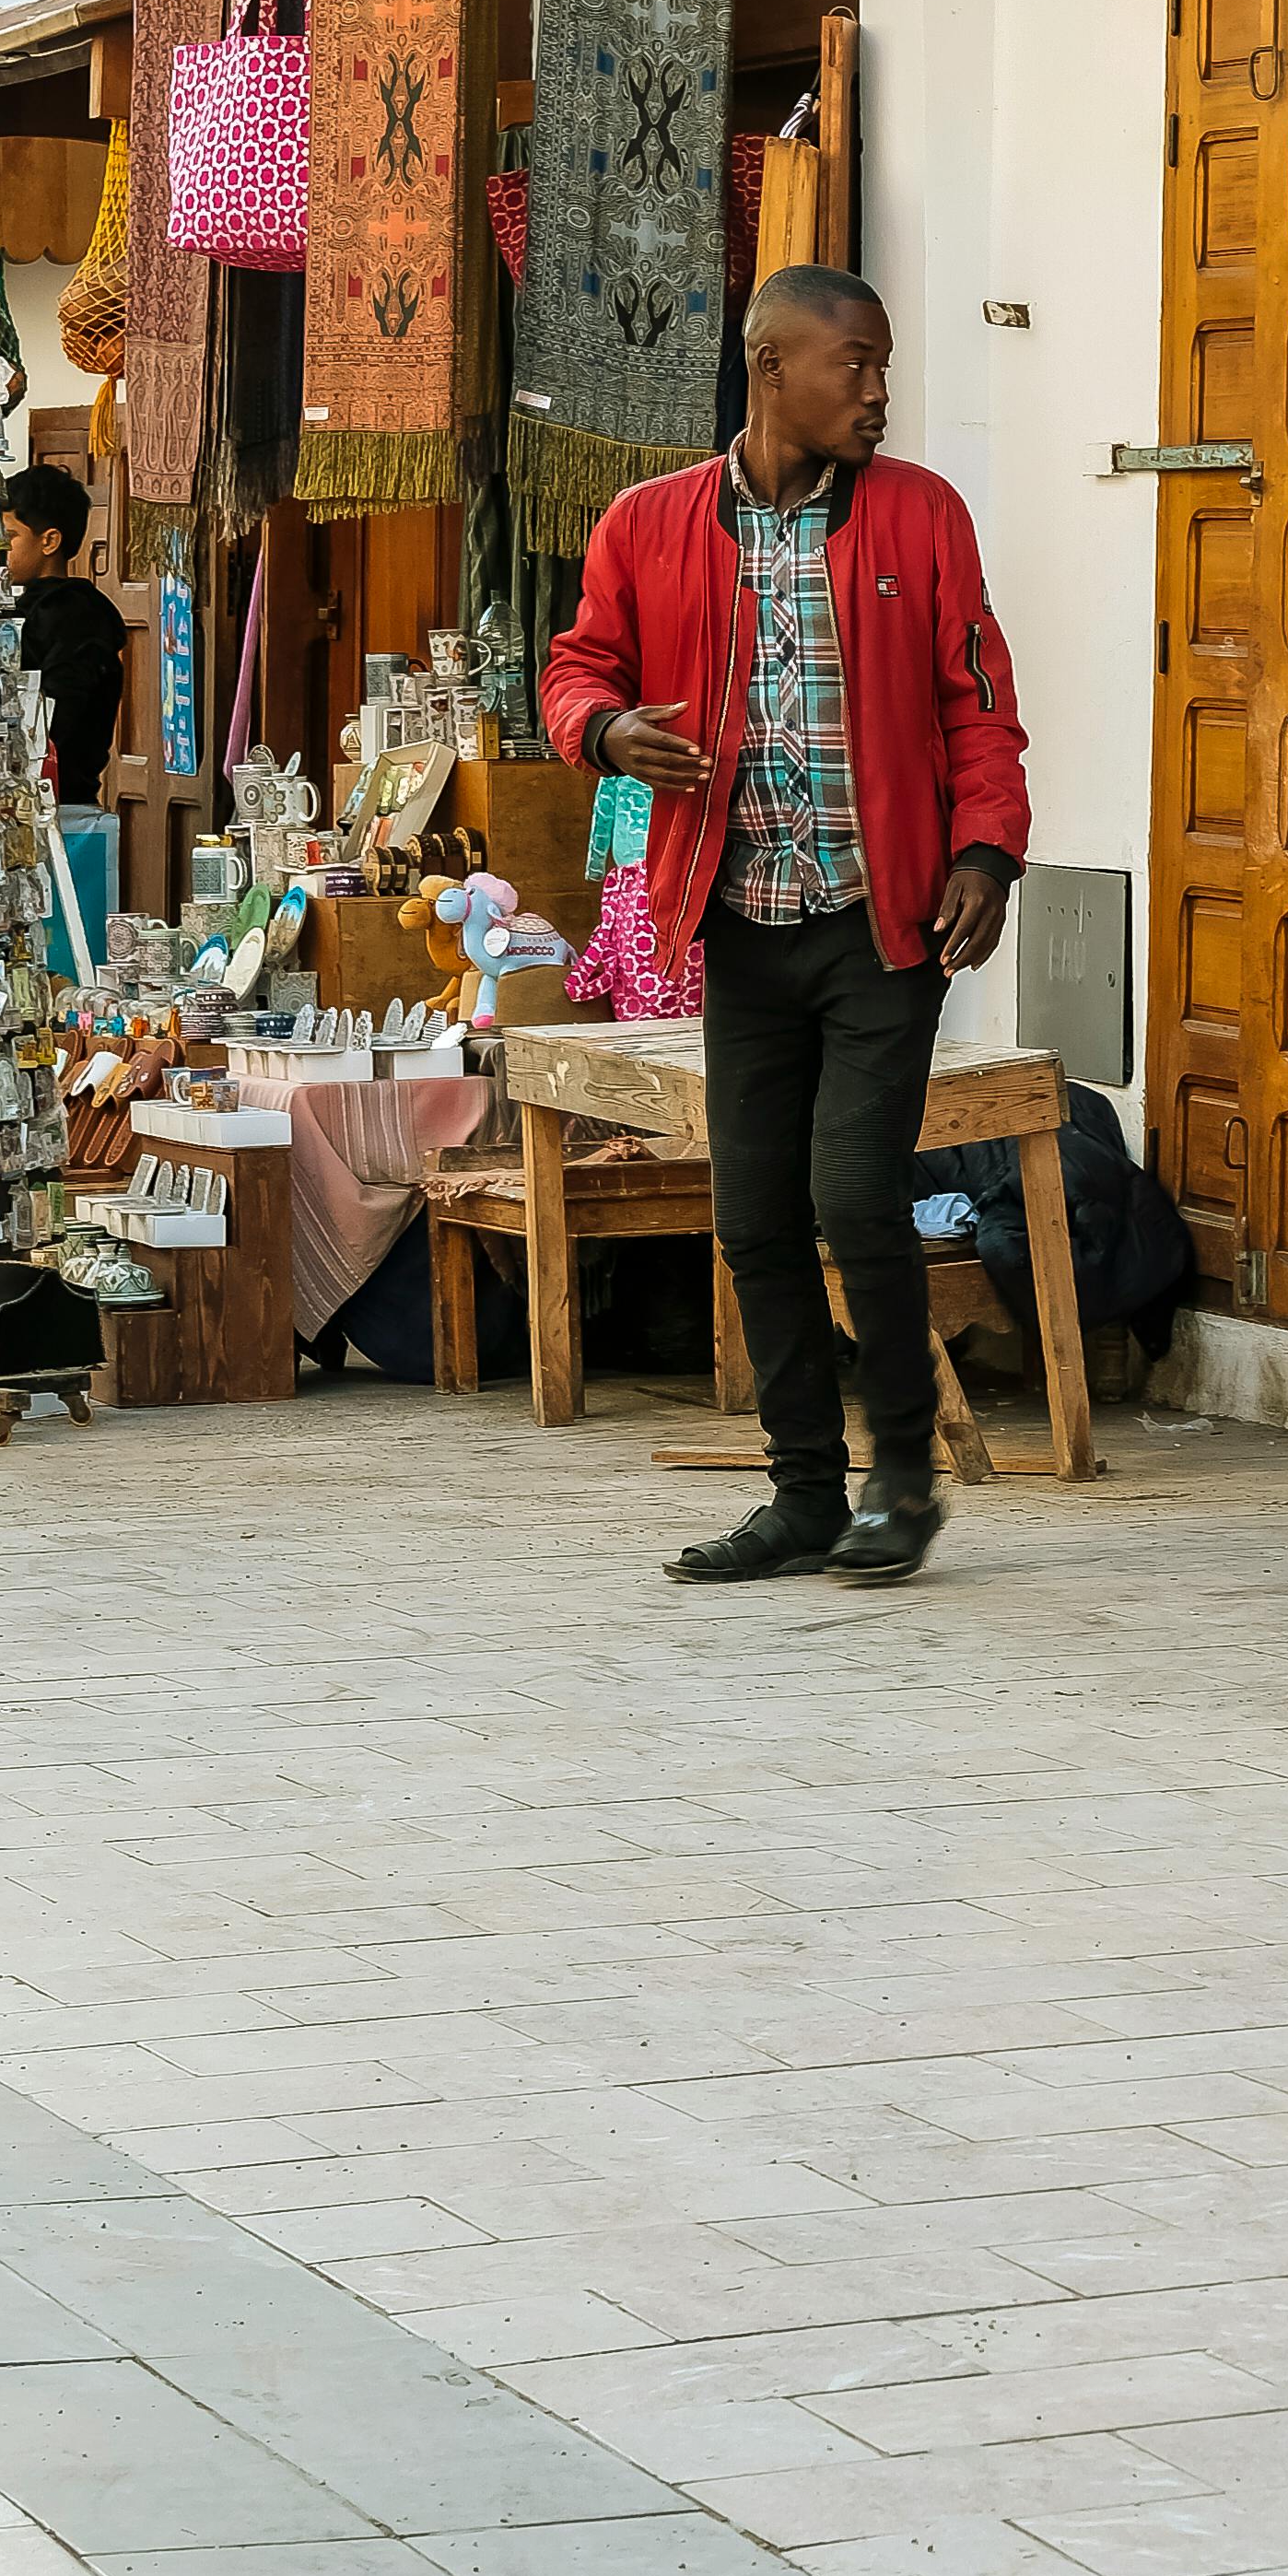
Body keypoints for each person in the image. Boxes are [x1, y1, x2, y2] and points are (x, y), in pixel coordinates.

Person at [541, 264, 1026, 1589]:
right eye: (854, 363)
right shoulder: (648, 525)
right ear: (771, 368)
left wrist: (988, 847)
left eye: (883, 366)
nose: (878, 390)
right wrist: (605, 730)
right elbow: (578, 665)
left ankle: (905, 1487)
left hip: (885, 923)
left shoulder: (923, 517)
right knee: (754, 1214)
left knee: (853, 1195)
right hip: (740, 923)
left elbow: (980, 700)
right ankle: (805, 1497)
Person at [0, 466, 130, 803]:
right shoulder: (29, 609)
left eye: (9, 537)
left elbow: (58, 721)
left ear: (49, 541)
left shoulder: (74, 616)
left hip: (58, 801)